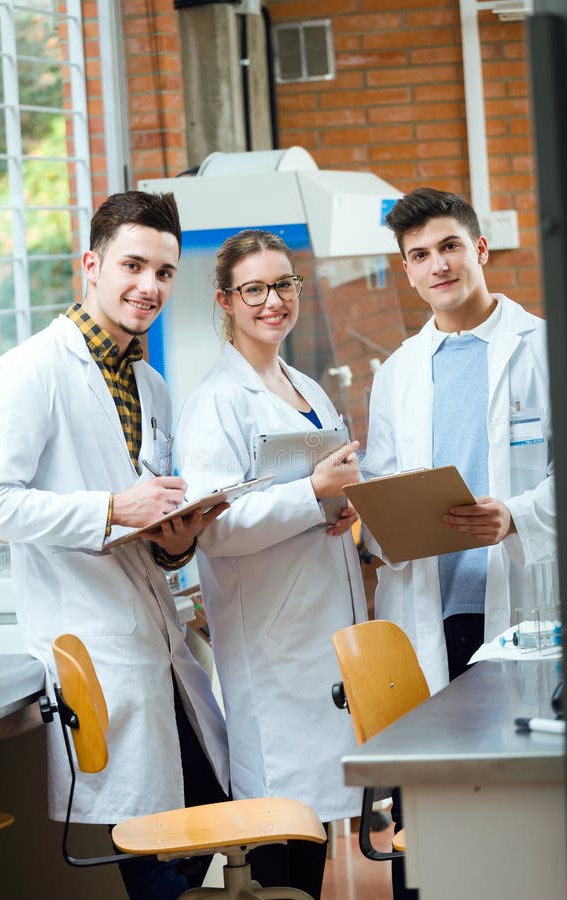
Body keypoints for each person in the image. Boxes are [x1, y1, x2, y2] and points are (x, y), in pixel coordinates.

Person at [0, 191, 230, 900]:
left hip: (156, 643)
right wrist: (112, 508)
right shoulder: (31, 371)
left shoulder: (150, 383)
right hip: (96, 644)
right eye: (134, 265)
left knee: (202, 823)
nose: (150, 286)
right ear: (91, 264)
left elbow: (145, 524)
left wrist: (176, 542)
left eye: (166, 273)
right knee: (154, 858)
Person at [361, 187, 556, 899]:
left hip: (525, 600)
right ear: (406, 270)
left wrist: (520, 516)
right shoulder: (399, 372)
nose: (436, 264)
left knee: (523, 804)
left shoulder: (542, 346)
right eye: (419, 255)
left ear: (477, 249)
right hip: (435, 612)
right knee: (436, 806)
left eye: (448, 246)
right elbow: (383, 483)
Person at [176, 229, 367, 900]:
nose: (272, 301)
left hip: (318, 641)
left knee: (308, 830)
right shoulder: (215, 403)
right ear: (226, 300)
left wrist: (335, 508)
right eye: (254, 289)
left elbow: (309, 496)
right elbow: (216, 529)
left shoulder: (303, 384)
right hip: (272, 647)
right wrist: (313, 493)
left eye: (283, 284)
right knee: (279, 839)